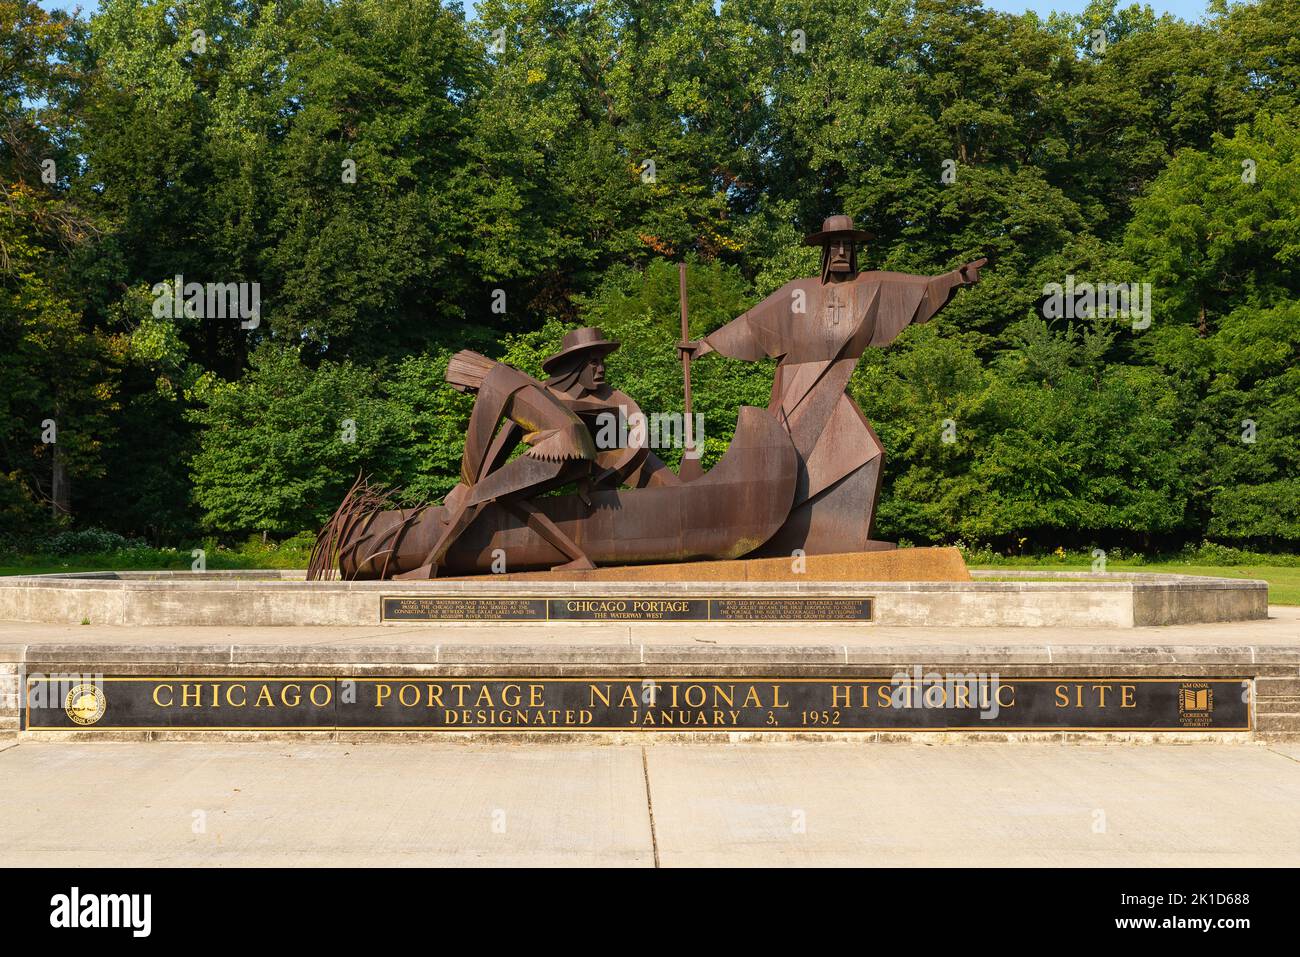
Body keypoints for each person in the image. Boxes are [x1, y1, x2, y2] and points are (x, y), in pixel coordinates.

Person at [678, 215, 986, 555]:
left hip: (835, 380)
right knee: (792, 459)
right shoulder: (799, 291)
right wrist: (706, 344)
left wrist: (956, 279)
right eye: (834, 245)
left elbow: (921, 289)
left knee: (867, 453)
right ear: (824, 251)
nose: (841, 251)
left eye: (847, 245)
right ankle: (784, 531)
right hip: (797, 383)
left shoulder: (873, 284)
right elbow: (754, 324)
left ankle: (842, 536)